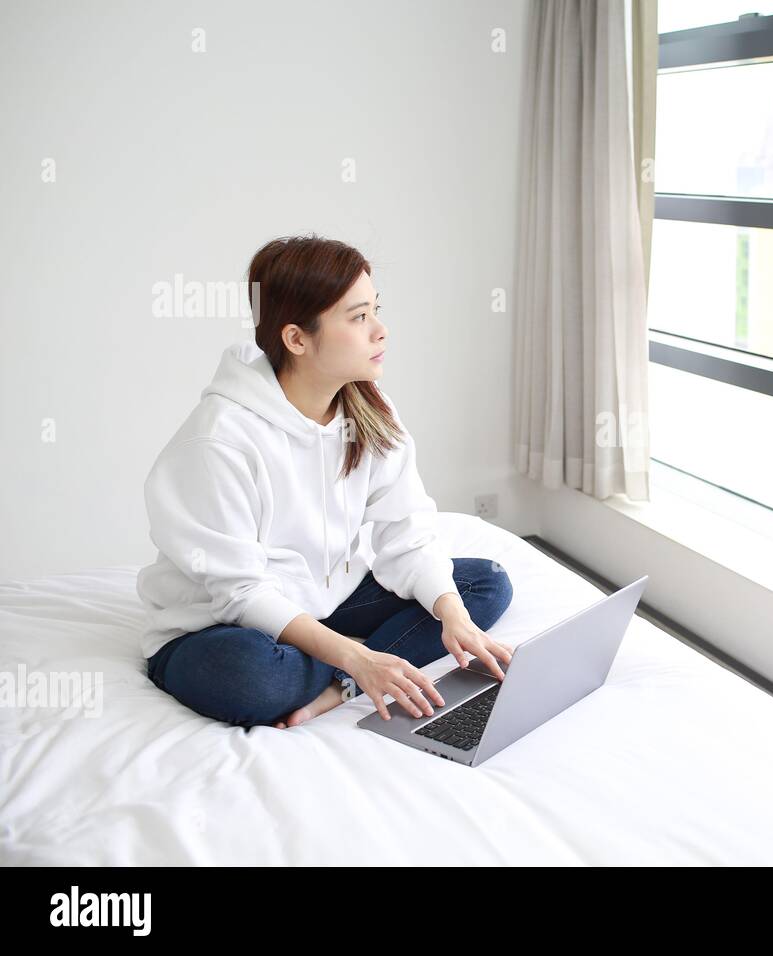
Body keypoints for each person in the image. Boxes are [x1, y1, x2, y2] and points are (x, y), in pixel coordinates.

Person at [138, 234, 514, 729]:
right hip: (219, 625)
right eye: (358, 317)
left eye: (376, 310)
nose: (380, 330)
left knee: (481, 585)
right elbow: (241, 594)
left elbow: (407, 534)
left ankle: (341, 684)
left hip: (325, 605)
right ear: (297, 338)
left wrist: (453, 618)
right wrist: (356, 656)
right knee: (249, 677)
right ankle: (361, 661)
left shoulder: (368, 410)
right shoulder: (219, 440)